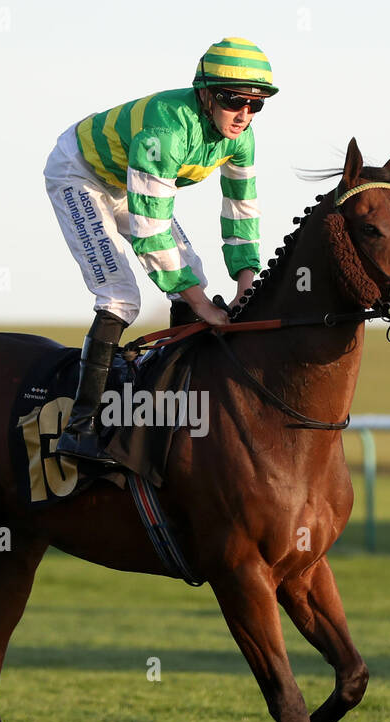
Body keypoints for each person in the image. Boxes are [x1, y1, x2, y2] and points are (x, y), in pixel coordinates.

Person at [42, 36, 277, 466]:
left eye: (256, 103)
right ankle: (81, 428)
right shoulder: (168, 131)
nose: (244, 114)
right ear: (205, 94)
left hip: (126, 180)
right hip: (81, 173)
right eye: (233, 100)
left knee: (193, 275)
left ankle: (171, 408)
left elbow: (241, 211)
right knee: (120, 295)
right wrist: (202, 306)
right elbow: (150, 232)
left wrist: (246, 284)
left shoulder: (241, 138)